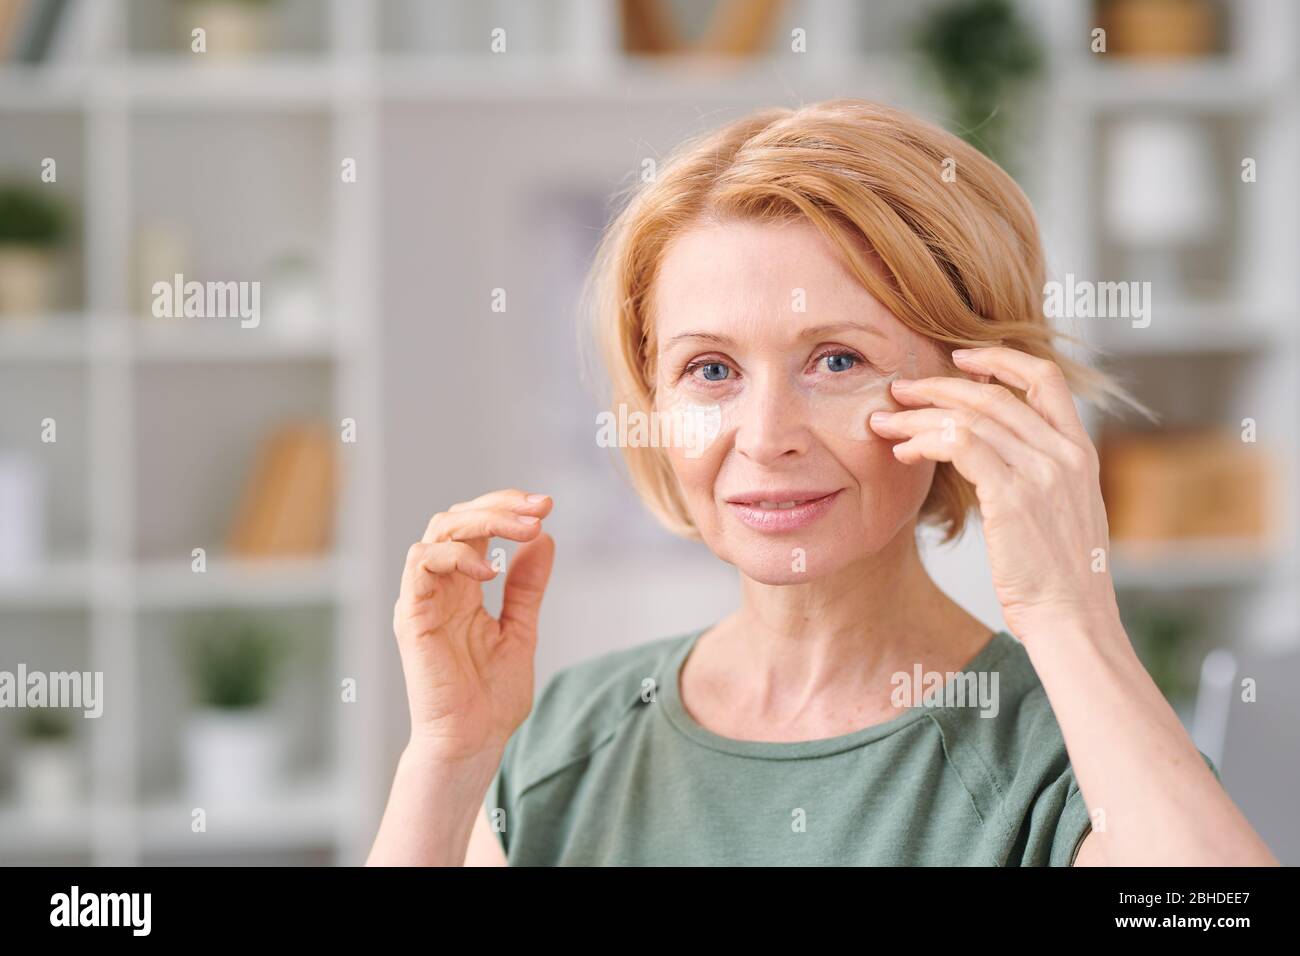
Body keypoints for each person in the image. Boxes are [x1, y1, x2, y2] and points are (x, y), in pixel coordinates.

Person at [367, 99, 1278, 866]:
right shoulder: (567, 734)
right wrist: (446, 761)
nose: (765, 439)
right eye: (711, 371)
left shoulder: (1057, 752)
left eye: (837, 360)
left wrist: (1073, 618)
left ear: (975, 389)